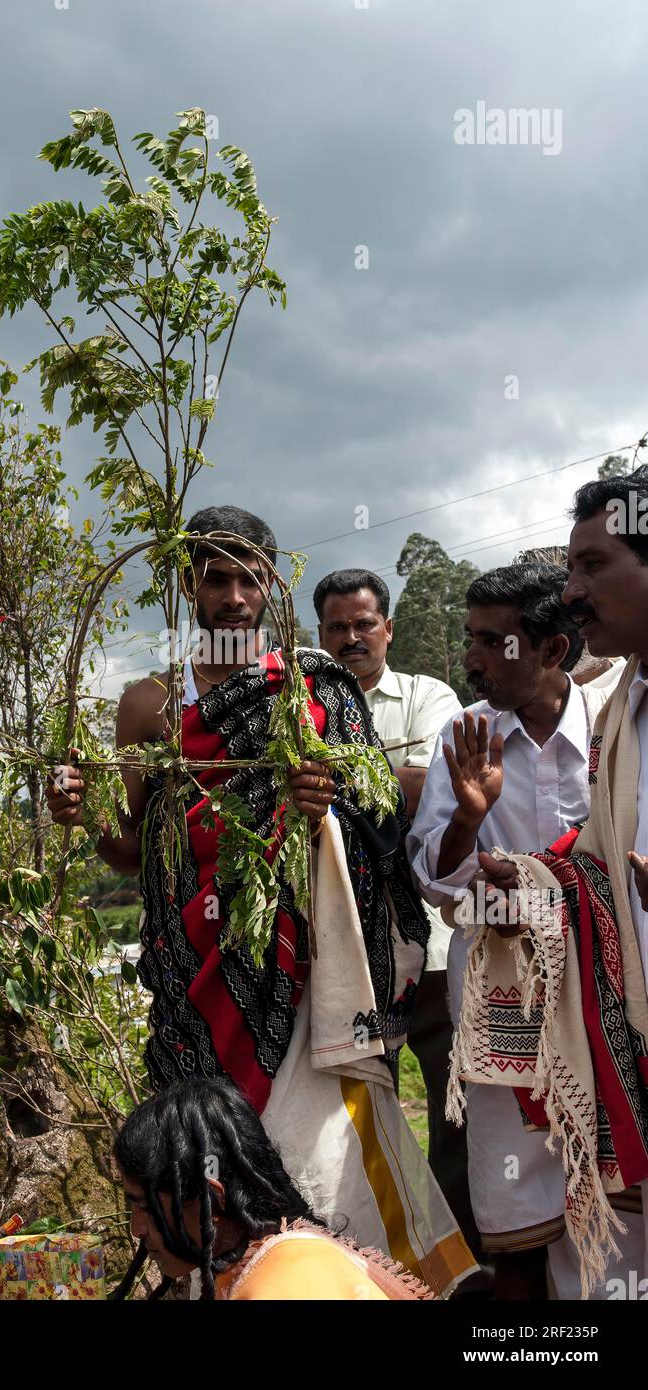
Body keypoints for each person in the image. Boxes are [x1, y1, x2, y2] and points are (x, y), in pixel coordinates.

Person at [48, 505, 476, 1296]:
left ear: (276, 584)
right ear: (188, 585)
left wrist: (330, 801)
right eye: (217, 578)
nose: (236, 596)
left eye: (251, 578)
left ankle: (354, 1284)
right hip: (194, 975)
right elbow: (137, 849)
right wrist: (82, 817)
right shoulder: (150, 704)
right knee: (215, 1146)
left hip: (308, 971)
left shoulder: (314, 688)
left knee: (326, 1150)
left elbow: (380, 815)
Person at [453, 470, 648, 1298]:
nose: (573, 591)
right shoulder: (624, 708)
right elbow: (599, 856)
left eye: (593, 565)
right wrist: (530, 875)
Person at [408, 562, 618, 1299]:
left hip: (609, 1001)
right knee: (518, 1219)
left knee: (620, 1192)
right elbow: (436, 882)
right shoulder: (464, 736)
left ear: (554, 651)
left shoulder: (613, 726)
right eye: (470, 639)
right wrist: (469, 813)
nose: (470, 659)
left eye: (492, 642)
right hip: (506, 1011)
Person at [314, 568, 478, 1257]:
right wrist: (385, 779)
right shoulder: (302, 706)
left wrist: (334, 777)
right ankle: (376, 1261)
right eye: (337, 628)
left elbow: (439, 788)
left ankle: (466, 1261)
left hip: (433, 953)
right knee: (353, 1115)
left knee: (456, 1115)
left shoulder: (428, 695)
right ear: (319, 636)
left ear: (388, 629)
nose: (352, 638)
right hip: (347, 955)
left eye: (364, 624)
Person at [114, 1076, 438, 1300]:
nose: (136, 1229)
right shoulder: (262, 1261)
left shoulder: (290, 1281)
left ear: (212, 1201)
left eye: (145, 1206)